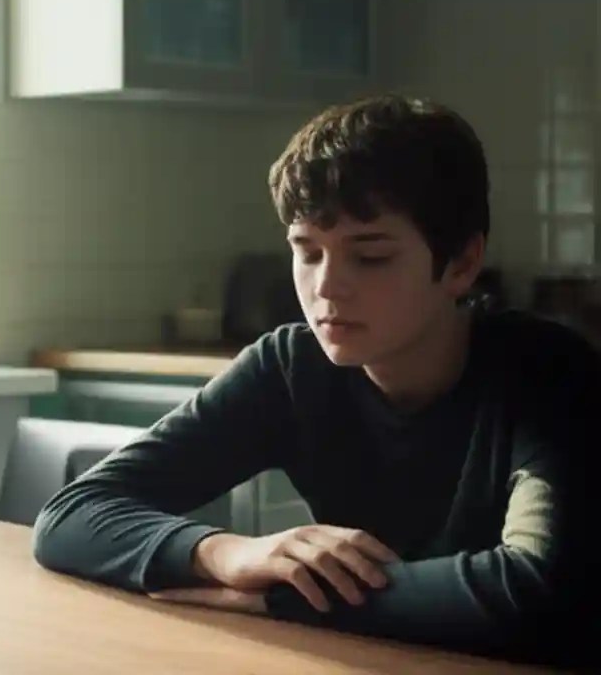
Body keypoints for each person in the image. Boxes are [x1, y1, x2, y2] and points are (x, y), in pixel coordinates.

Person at [31, 94, 598, 669]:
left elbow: (538, 590)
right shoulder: (291, 368)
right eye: (307, 252)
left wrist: (278, 599)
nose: (326, 288)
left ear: (461, 264)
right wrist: (225, 554)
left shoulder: (548, 374)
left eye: (369, 257)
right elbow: (72, 515)